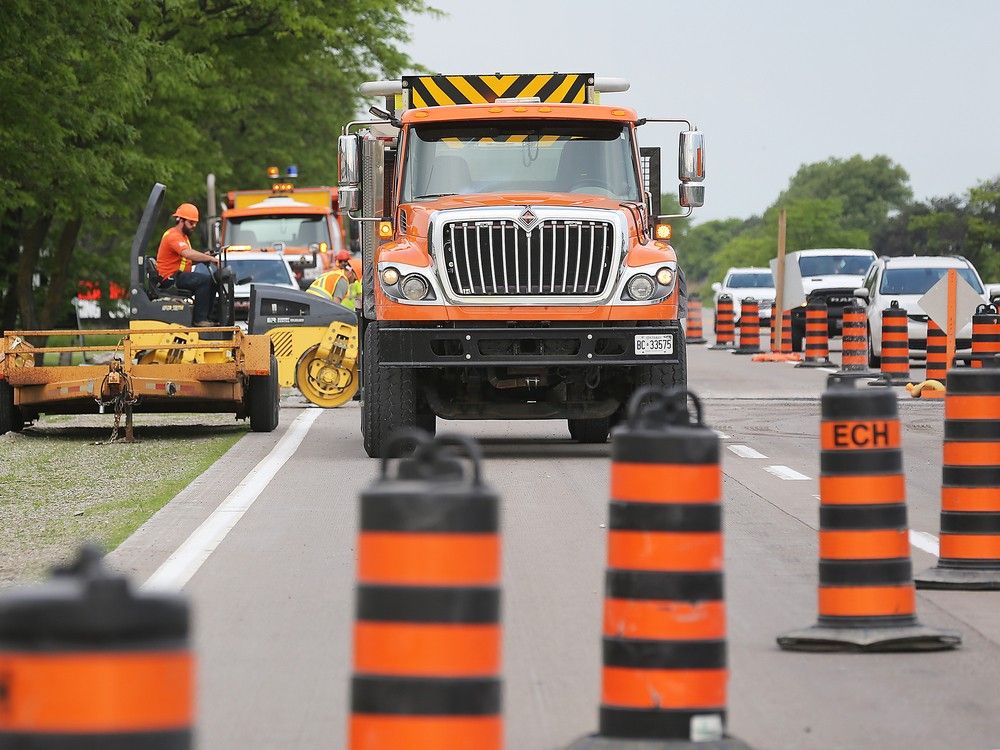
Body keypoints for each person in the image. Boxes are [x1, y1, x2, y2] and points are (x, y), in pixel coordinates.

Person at [155, 203, 219, 326]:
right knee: (204, 281)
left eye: (195, 223)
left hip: (178, 275)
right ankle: (199, 320)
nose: (194, 226)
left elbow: (187, 259)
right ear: (181, 220)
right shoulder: (173, 236)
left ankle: (208, 318)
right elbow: (188, 253)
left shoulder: (183, 237)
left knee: (213, 280)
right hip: (170, 278)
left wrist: (205, 256)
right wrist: (211, 259)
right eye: (191, 223)